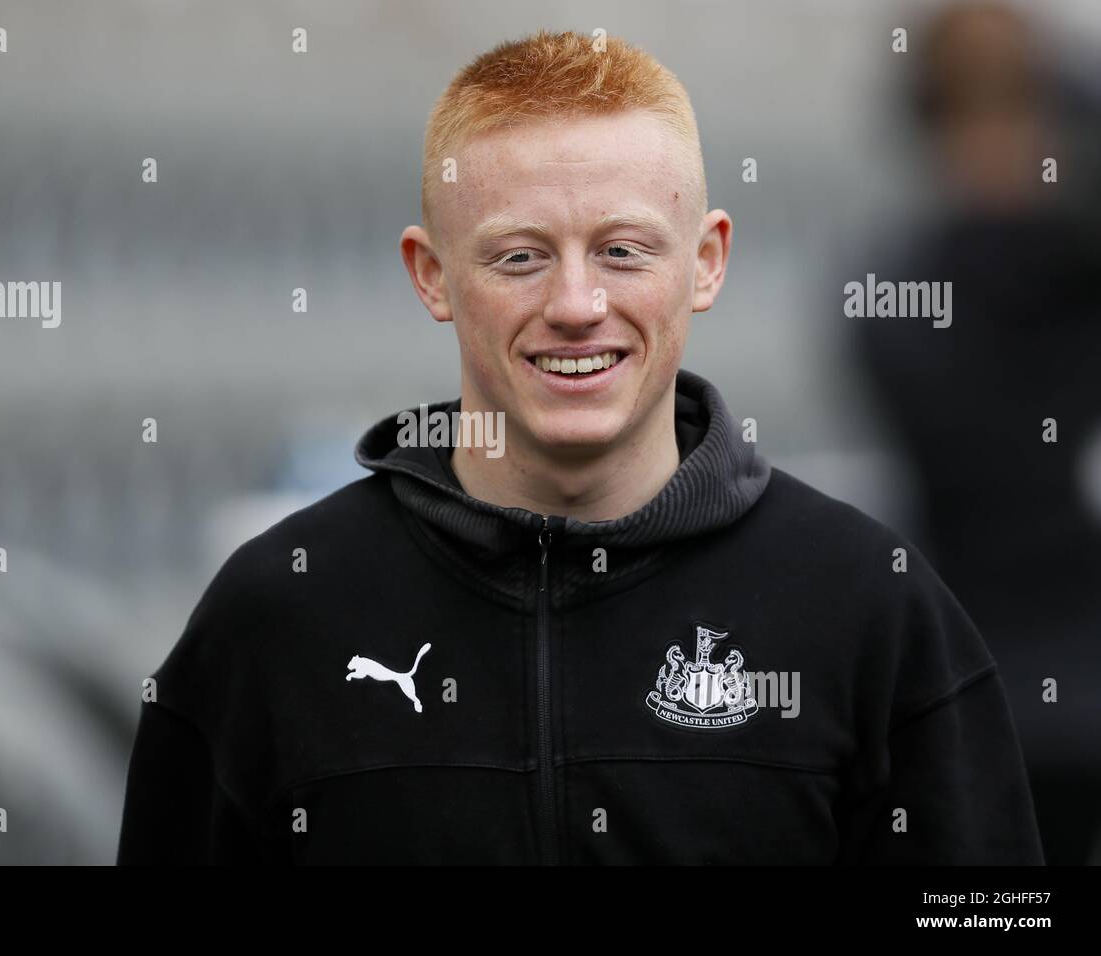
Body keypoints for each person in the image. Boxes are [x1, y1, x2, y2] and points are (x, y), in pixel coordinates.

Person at [116, 29, 1042, 864]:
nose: (574, 305)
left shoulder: (867, 606)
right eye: (519, 256)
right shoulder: (278, 614)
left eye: (623, 251)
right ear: (431, 275)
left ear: (707, 261)